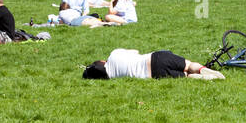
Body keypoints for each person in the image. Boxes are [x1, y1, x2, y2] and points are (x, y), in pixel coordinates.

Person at [82, 48, 224, 81]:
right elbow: (135, 51)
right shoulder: (114, 55)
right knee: (189, 64)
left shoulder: (113, 77)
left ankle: (200, 77)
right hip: (154, 58)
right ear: (101, 62)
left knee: (185, 75)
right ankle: (202, 69)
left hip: (154, 74)